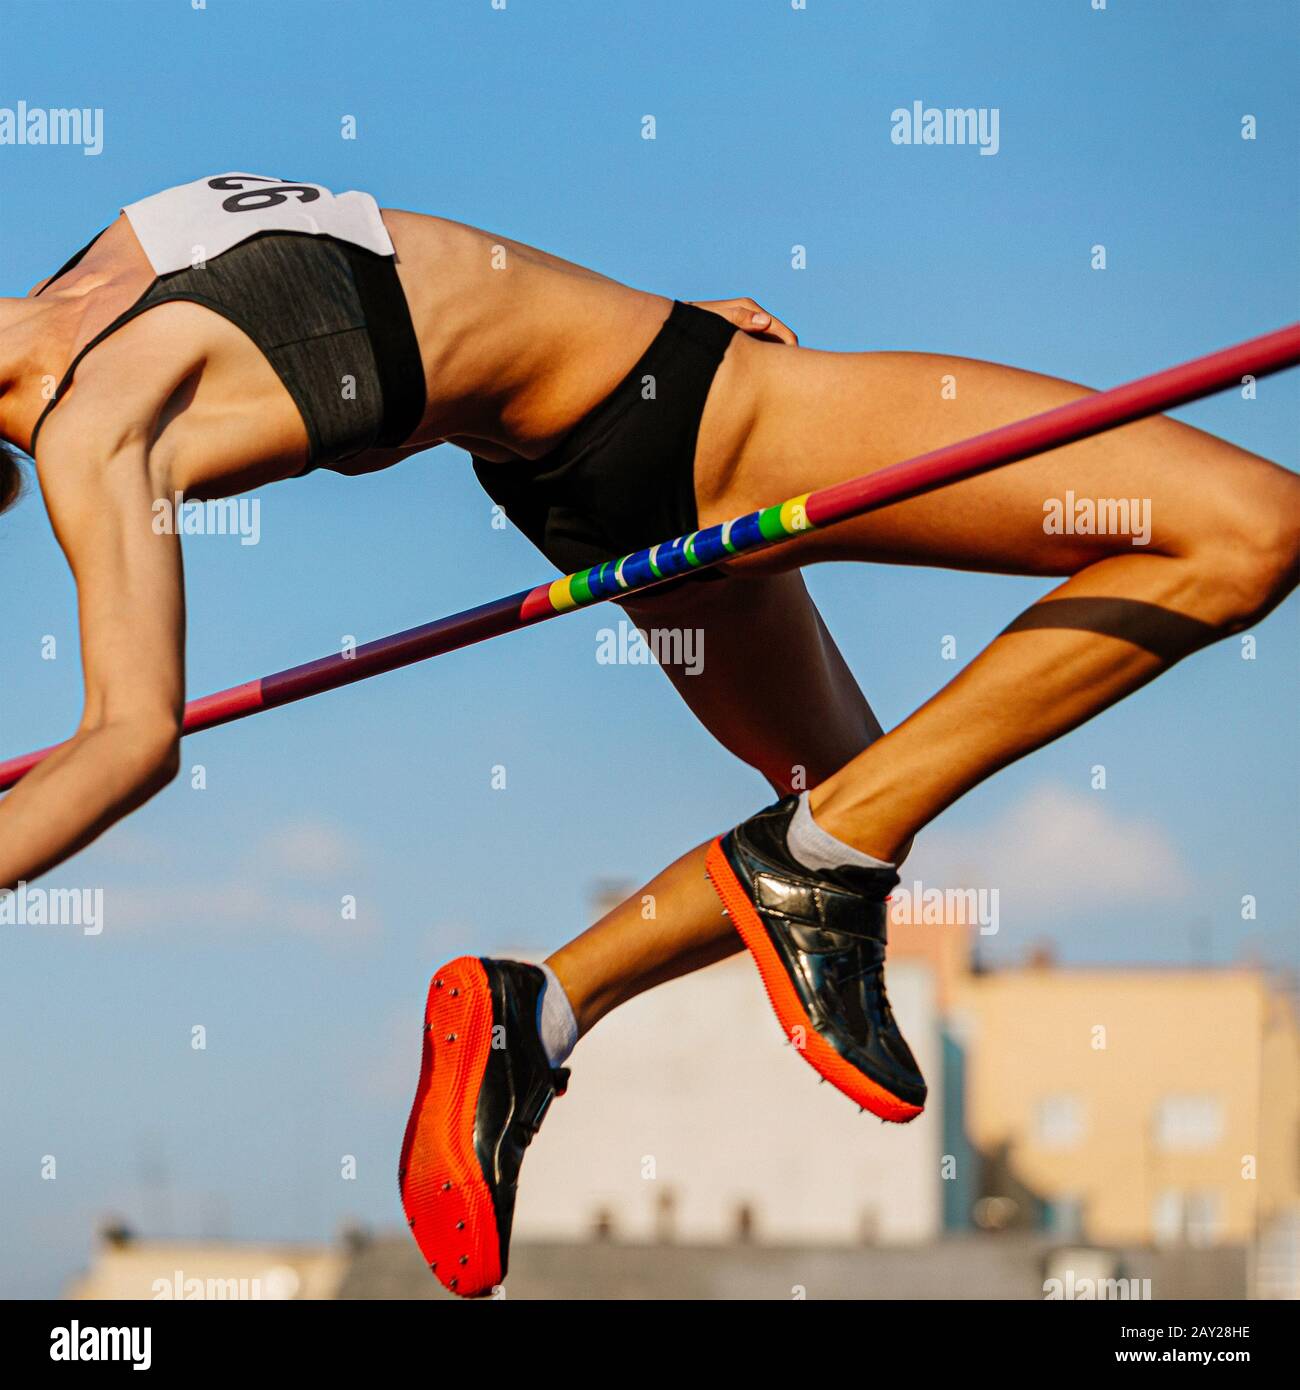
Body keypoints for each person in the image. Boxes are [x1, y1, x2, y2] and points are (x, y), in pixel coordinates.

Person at [1, 173, 1295, 1298]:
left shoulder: (112, 260)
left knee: (853, 788)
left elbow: (401, 277)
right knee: (1250, 528)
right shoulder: (98, 409)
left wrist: (626, 315)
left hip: (591, 466)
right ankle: (819, 866)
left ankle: (541, 1008)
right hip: (694, 417)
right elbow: (130, 737)